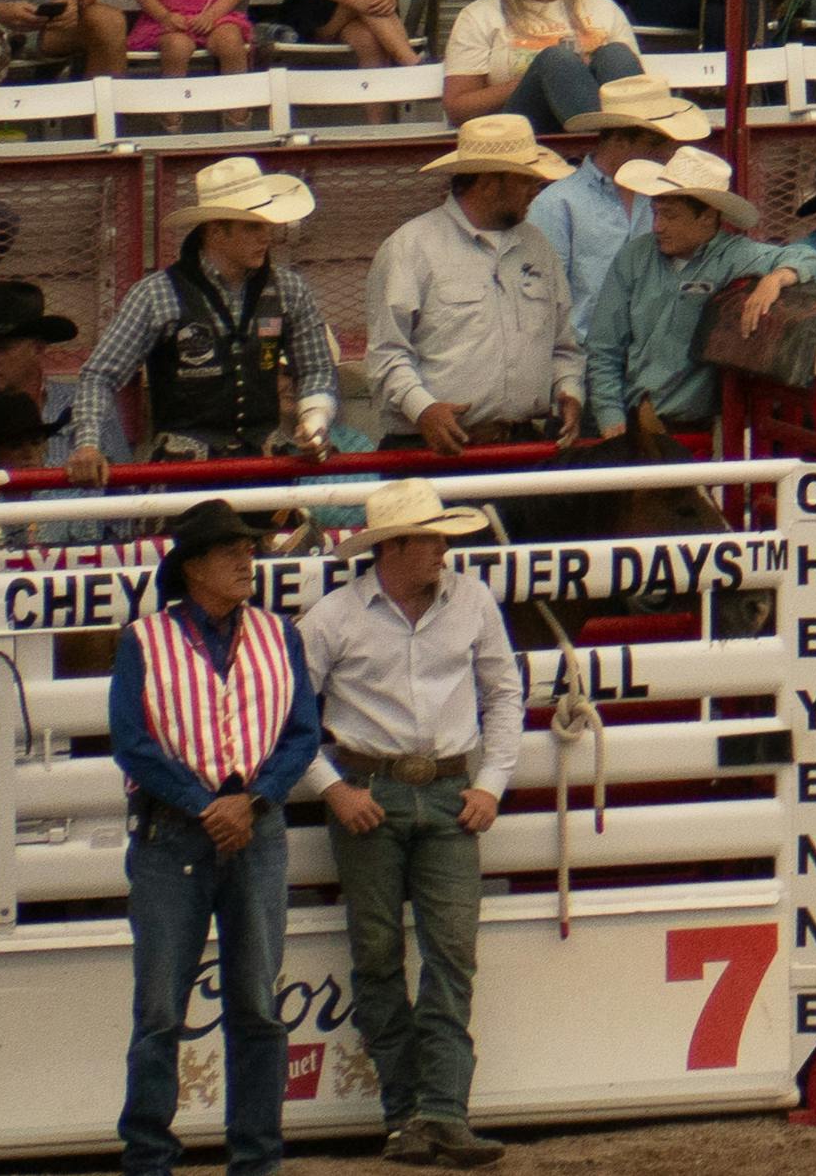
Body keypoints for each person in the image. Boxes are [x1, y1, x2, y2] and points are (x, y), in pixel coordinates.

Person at [107, 494, 319, 1176]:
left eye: (249, 548)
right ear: (193, 565)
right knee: (161, 1010)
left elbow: (303, 732)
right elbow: (133, 744)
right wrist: (211, 804)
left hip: (246, 828)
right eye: (231, 549)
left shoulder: (280, 633)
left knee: (257, 1003)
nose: (246, 558)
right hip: (178, 836)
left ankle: (254, 1160)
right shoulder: (143, 640)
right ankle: (149, 1160)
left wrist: (249, 801)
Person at [312, 480, 520, 1171]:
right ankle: (415, 1111)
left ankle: (434, 1111)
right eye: (431, 537)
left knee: (448, 952)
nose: (443, 548)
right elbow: (287, 717)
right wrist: (333, 788)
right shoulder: (332, 617)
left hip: (445, 788)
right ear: (392, 546)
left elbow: (504, 690)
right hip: (373, 789)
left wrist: (490, 782)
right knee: (380, 954)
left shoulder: (469, 600)